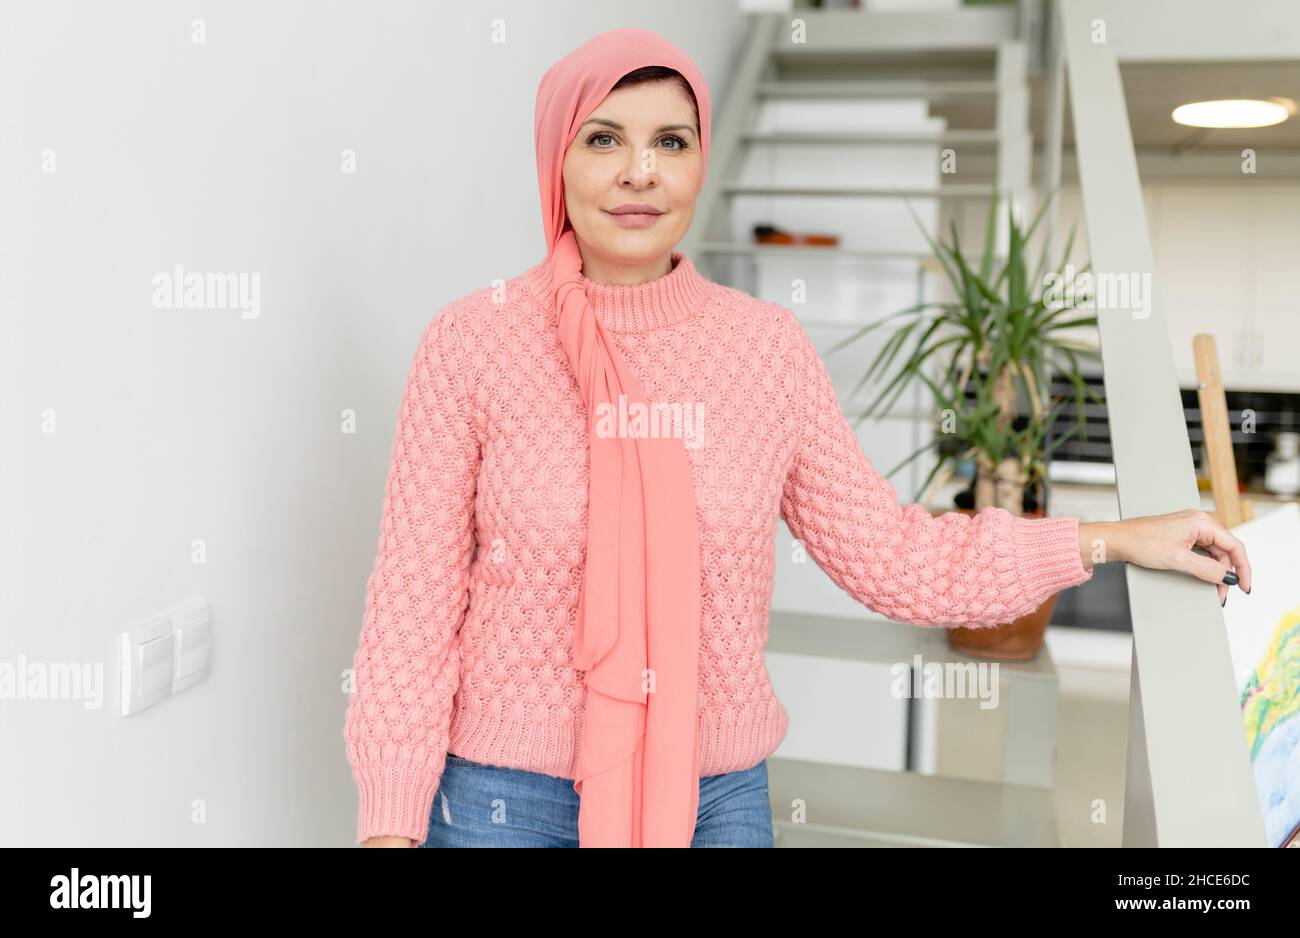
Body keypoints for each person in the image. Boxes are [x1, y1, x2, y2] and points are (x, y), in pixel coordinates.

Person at [343, 28, 1252, 849]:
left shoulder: (763, 350)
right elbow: (410, 612)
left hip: (715, 800)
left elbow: (891, 554)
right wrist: (389, 823)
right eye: (603, 138)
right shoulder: (472, 344)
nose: (639, 172)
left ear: (699, 163)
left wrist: (1110, 537)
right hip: (504, 800)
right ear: (557, 159)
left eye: (671, 141)